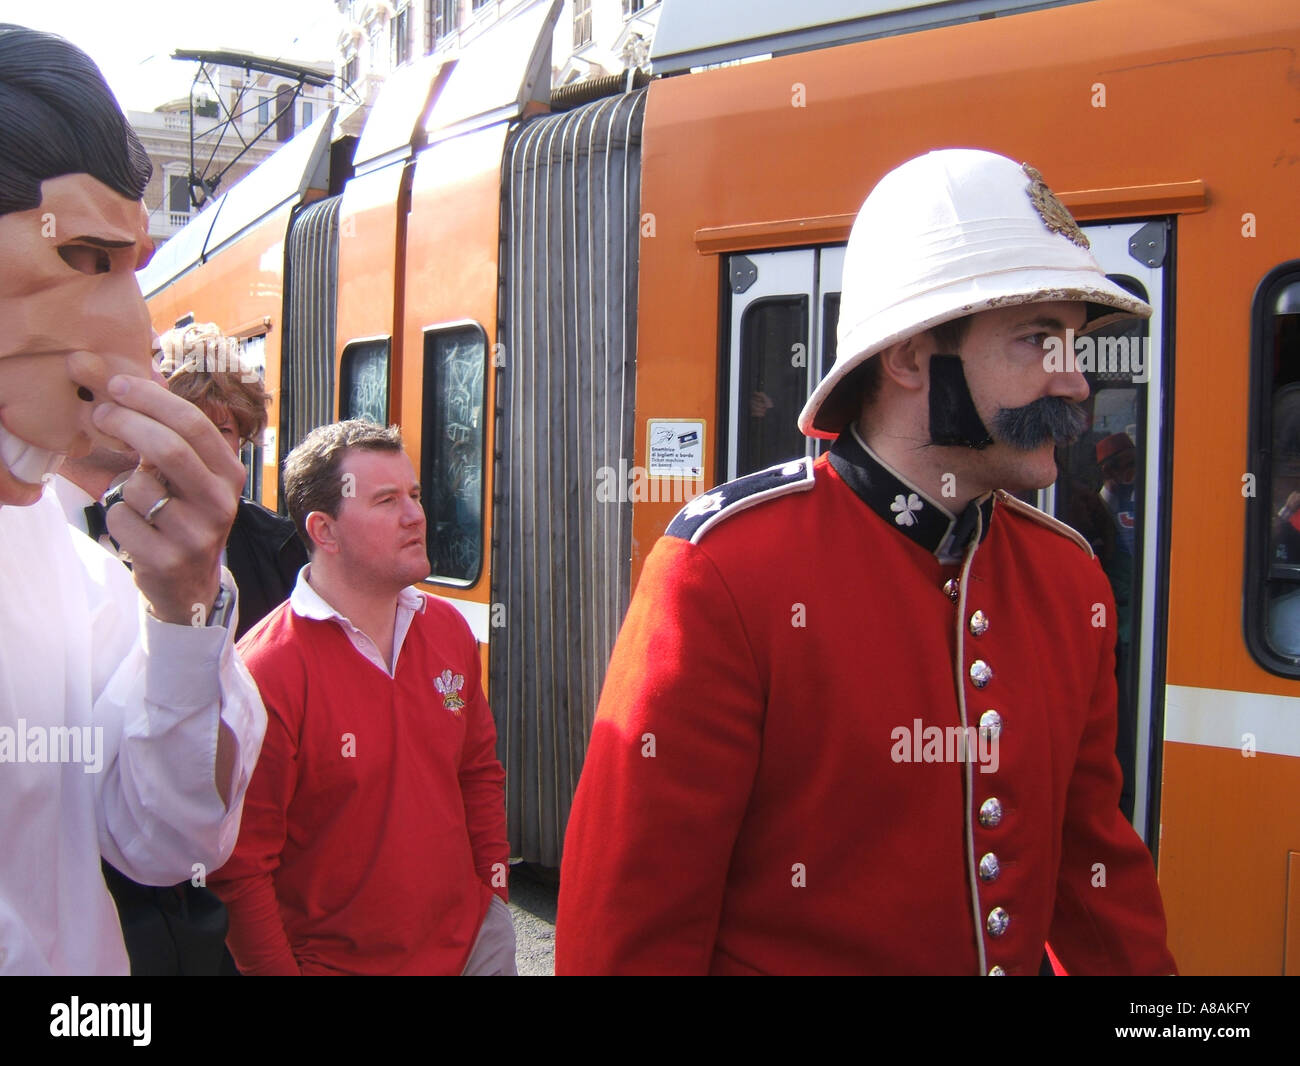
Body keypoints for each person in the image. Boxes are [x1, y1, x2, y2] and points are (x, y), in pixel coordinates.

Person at [555, 149, 1176, 975]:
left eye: (1073, 343)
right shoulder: (726, 571)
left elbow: (1097, 888)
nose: (1073, 383)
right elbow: (630, 933)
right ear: (912, 358)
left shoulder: (1067, 580)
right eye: (1037, 341)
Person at [0, 24, 266, 975]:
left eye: (133, 269)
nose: (138, 330)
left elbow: (166, 840)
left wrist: (187, 611)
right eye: (86, 258)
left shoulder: (77, 566)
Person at [209, 420, 514, 975]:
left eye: (415, 495)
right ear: (324, 531)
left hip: (474, 947)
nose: (416, 515)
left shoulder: (447, 629)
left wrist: (492, 894)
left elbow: (478, 772)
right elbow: (242, 866)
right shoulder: (265, 670)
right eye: (387, 500)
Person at [158, 322, 308, 639]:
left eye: (222, 430)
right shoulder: (108, 530)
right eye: (189, 424)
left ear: (241, 439)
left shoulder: (280, 546)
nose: (206, 443)